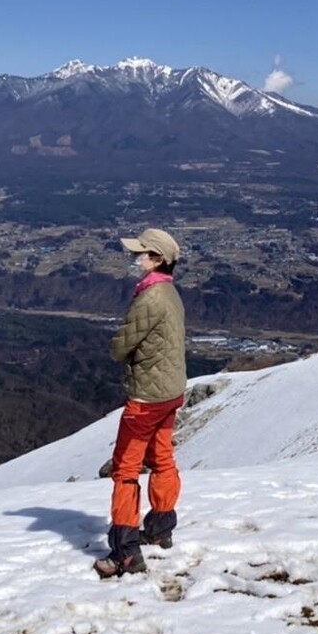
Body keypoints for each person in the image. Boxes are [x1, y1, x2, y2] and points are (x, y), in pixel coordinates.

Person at [94, 227, 186, 578]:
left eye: (142, 253)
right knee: (162, 457)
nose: (136, 259)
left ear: (158, 259)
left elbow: (121, 347)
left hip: (146, 397)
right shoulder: (170, 292)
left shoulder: (150, 298)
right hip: (170, 392)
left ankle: (125, 552)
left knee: (125, 469)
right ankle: (161, 528)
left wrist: (118, 348)